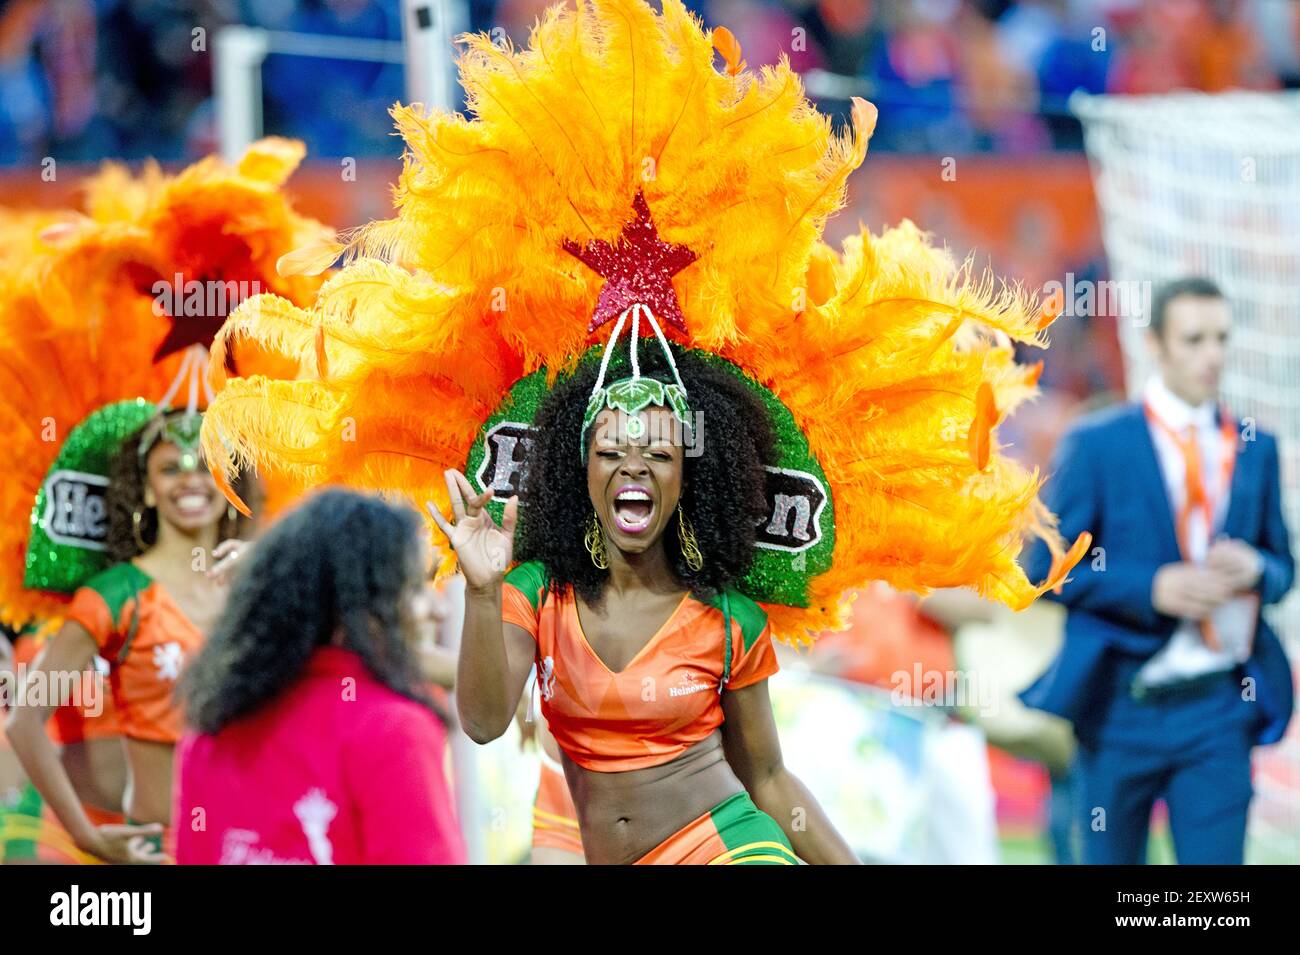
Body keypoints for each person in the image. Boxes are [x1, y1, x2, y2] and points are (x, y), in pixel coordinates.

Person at [1021, 277, 1294, 864]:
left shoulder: (1256, 447)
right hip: (1121, 704)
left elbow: (1283, 569)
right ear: (1156, 345)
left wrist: (1255, 568)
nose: (1212, 355)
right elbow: (1038, 568)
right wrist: (1151, 588)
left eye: (1221, 338)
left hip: (1219, 706)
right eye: (1194, 339)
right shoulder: (1098, 443)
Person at [5, 409, 253, 863]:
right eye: (169, 468)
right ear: (146, 491)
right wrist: (87, 836)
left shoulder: (256, 587)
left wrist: (275, 573)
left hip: (255, 843)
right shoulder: (117, 594)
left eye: (205, 463)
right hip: (163, 850)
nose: (190, 479)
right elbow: (24, 720)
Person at [174, 489, 466, 865]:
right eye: (414, 590)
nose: (436, 609)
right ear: (358, 607)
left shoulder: (210, 730)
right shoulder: (392, 730)